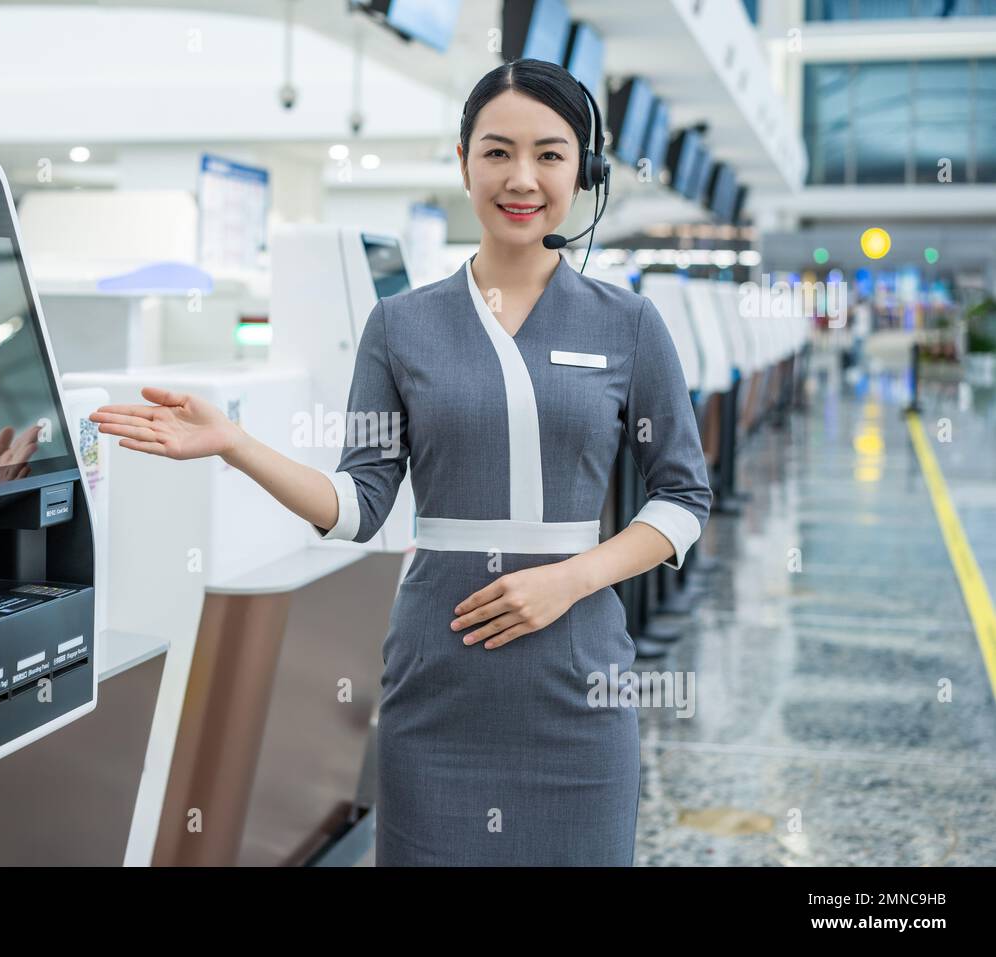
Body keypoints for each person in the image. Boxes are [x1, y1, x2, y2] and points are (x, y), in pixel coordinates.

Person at [89, 58, 712, 866]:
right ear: (463, 164)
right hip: (437, 688)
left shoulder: (627, 324)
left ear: (583, 172)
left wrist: (570, 576)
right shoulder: (401, 325)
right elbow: (360, 505)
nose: (522, 178)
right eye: (497, 152)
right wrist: (236, 446)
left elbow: (682, 496)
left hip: (581, 691)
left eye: (550, 154)